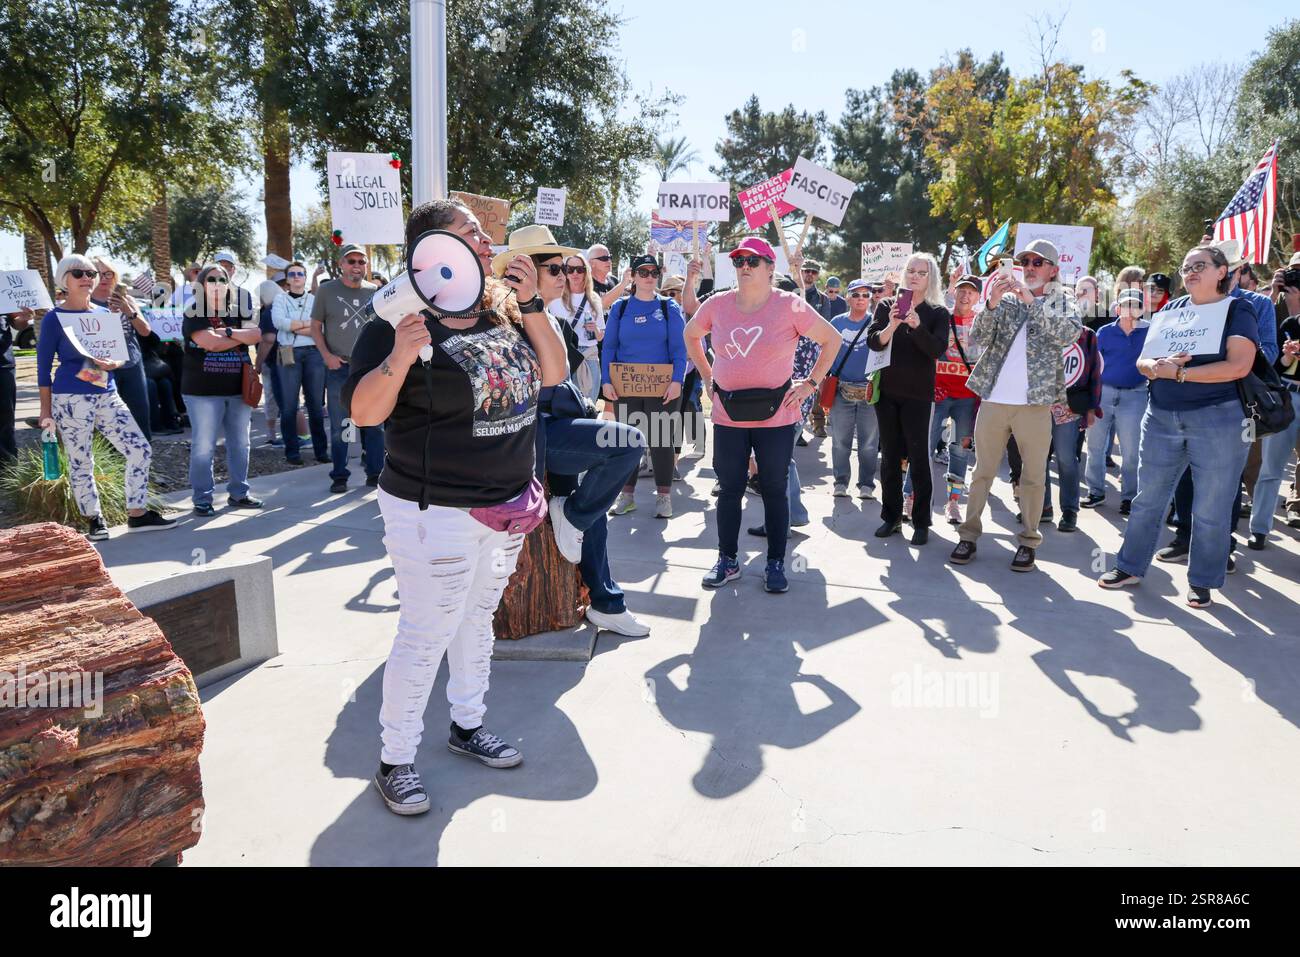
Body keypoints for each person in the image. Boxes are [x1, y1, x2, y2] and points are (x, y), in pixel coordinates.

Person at [343, 200, 567, 816]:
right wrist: (397, 356)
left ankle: (467, 725)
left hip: (504, 507)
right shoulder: (396, 314)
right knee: (426, 630)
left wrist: (532, 307)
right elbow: (364, 412)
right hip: (431, 507)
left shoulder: (500, 304)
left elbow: (552, 374)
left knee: (476, 620)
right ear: (429, 250)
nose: (484, 240)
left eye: (481, 232)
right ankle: (396, 759)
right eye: (468, 232)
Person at [1098, 243, 1258, 608]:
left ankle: (1203, 580)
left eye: (1200, 265)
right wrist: (1156, 367)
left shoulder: (1238, 310)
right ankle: (1129, 566)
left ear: (1222, 271)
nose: (1190, 272)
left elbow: (1238, 366)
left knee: (1211, 508)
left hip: (1219, 420)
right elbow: (1143, 362)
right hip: (1161, 417)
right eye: (1186, 267)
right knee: (1147, 499)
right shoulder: (1171, 309)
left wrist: (1181, 373)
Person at [684, 237, 841, 594]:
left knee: (773, 489)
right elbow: (691, 334)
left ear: (771, 268)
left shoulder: (790, 305)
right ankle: (728, 560)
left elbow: (831, 340)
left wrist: (810, 384)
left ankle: (774, 563)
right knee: (729, 490)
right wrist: (708, 377)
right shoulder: (718, 304)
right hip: (728, 414)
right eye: (739, 260)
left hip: (776, 417)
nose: (744, 266)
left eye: (753, 261)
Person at [949, 239, 1082, 571]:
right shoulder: (1006, 300)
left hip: (1034, 404)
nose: (1031, 267)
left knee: (1033, 477)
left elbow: (1066, 334)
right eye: (1026, 261)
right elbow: (978, 336)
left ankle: (1028, 540)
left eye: (1039, 262)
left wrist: (1030, 301)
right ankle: (969, 535)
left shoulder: (1062, 302)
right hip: (994, 399)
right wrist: (991, 303)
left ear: (1053, 270)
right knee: (982, 472)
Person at [36, 255, 174, 538]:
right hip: (70, 398)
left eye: (90, 273)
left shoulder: (103, 314)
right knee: (80, 460)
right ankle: (94, 519)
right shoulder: (54, 318)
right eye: (78, 273)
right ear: (65, 279)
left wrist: (115, 364)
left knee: (140, 449)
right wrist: (45, 412)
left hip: (107, 394)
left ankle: (137, 513)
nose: (87, 277)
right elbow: (42, 368)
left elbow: (118, 356)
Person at [1161, 238, 1278, 563]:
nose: (1201, 272)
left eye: (1209, 265)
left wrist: (1233, 358)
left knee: (1226, 479)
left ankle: (1221, 548)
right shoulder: (1184, 305)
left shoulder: (1256, 304)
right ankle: (1184, 536)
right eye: (1195, 266)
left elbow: (1268, 350)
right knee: (1185, 474)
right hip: (1185, 399)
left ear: (1233, 269)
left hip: (1232, 403)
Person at [866, 253, 950, 545]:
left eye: (921, 272)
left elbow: (937, 350)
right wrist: (891, 325)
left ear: (931, 278)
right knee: (889, 457)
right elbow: (873, 342)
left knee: (919, 458)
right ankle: (890, 517)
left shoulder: (937, 312)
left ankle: (921, 521)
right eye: (911, 271)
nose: (914, 276)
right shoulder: (886, 305)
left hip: (918, 396)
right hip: (887, 394)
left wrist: (916, 327)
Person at [602, 253, 687, 519]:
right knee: (627, 441)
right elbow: (610, 347)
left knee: (661, 441)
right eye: (643, 272)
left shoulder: (668, 307)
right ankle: (627, 496)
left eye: (653, 272)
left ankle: (663, 497)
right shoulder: (621, 307)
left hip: (662, 389)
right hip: (626, 386)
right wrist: (606, 380)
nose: (649, 277)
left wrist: (677, 381)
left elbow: (679, 349)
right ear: (633, 275)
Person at [182, 264, 265, 516]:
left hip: (238, 389)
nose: (217, 283)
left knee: (241, 443)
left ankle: (239, 494)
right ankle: (202, 499)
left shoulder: (238, 311)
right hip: (202, 392)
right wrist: (238, 337)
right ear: (202, 285)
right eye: (211, 279)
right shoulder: (194, 312)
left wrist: (227, 332)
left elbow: (257, 335)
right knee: (204, 446)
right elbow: (212, 344)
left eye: (222, 279)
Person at [906, 274, 982, 525]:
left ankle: (953, 503)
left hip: (966, 398)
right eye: (962, 290)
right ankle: (911, 496)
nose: (965, 295)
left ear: (978, 297)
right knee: (922, 448)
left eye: (971, 291)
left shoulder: (982, 321)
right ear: (954, 292)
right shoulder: (941, 316)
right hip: (936, 394)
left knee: (959, 451)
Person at [311, 244, 384, 493]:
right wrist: (326, 355)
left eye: (361, 262)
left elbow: (382, 329)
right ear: (341, 264)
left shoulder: (375, 292)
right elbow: (315, 327)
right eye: (351, 261)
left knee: (374, 423)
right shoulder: (326, 291)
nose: (356, 266)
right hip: (339, 367)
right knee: (342, 425)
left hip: (368, 368)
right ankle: (340, 475)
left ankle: (375, 473)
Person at [1082, 288, 1149, 514]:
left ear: (1142, 309)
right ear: (1118, 308)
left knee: (1131, 451)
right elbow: (1092, 366)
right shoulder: (1104, 332)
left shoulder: (1150, 331)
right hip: (1104, 393)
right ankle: (1095, 492)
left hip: (1135, 394)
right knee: (1095, 446)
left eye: (1135, 305)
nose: (1130, 310)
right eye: (1126, 305)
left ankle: (1129, 497)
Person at [1247, 271, 1300, 549]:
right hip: (1289, 396)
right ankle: (1259, 528)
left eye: (1292, 292)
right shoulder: (1290, 323)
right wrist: (1287, 356)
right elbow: (1274, 368)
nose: (1290, 298)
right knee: (1271, 468)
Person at [1034, 318, 1103, 532]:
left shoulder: (1085, 334)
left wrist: (1092, 408)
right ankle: (1042, 507)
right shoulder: (1039, 328)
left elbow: (1093, 371)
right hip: (1039, 403)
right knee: (1038, 457)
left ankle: (1070, 510)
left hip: (1069, 405)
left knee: (1066, 457)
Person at [827, 279, 880, 499]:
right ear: (847, 297)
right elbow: (826, 351)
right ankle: (840, 482)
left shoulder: (877, 323)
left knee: (869, 443)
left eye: (865, 295)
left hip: (869, 392)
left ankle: (866, 485)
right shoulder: (836, 322)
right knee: (840, 441)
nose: (861, 299)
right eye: (856, 295)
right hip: (841, 391)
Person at [273, 261, 329, 466]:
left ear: (305, 277)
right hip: (288, 353)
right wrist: (307, 324)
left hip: (314, 353)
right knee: (289, 406)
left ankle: (321, 451)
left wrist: (295, 326)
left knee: (316, 405)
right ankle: (292, 452)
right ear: (287, 279)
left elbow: (320, 328)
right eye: (292, 274)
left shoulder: (315, 299)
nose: (296, 277)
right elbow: (279, 322)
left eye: (300, 274)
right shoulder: (280, 299)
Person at [90, 256, 153, 440]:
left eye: (108, 273)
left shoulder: (128, 300)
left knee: (138, 411)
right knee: (104, 416)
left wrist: (128, 310)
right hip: (97, 366)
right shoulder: (85, 303)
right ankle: (109, 465)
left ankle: (142, 459)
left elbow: (145, 331)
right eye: (98, 274)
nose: (104, 278)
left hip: (131, 363)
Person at [547, 252, 605, 401]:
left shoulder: (594, 298)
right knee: (564, 405)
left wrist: (595, 329)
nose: (574, 273)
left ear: (586, 272)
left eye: (579, 269)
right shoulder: (555, 297)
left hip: (588, 356)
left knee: (589, 404)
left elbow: (600, 336)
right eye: (570, 269)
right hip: (563, 356)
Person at [1, 307, 33, 464]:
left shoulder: (4, 285)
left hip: (2, 364)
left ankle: (8, 475)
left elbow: (18, 323)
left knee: (5, 422)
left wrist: (23, 318)